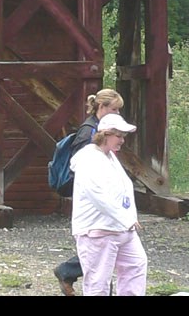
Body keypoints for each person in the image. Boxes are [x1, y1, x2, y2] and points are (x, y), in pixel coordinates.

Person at [53, 88, 125, 295]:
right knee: (99, 247)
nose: (117, 115)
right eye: (114, 109)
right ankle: (68, 272)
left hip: (98, 194)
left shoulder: (97, 127)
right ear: (101, 107)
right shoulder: (89, 132)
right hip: (92, 196)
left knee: (103, 248)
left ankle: (68, 272)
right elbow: (81, 165)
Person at [70, 112, 147, 296]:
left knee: (136, 265)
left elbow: (124, 189)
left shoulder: (109, 156)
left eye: (123, 136)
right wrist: (125, 218)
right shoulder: (88, 158)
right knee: (98, 283)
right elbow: (98, 195)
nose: (122, 141)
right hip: (97, 230)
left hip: (122, 229)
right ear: (105, 135)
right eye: (118, 136)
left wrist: (129, 219)